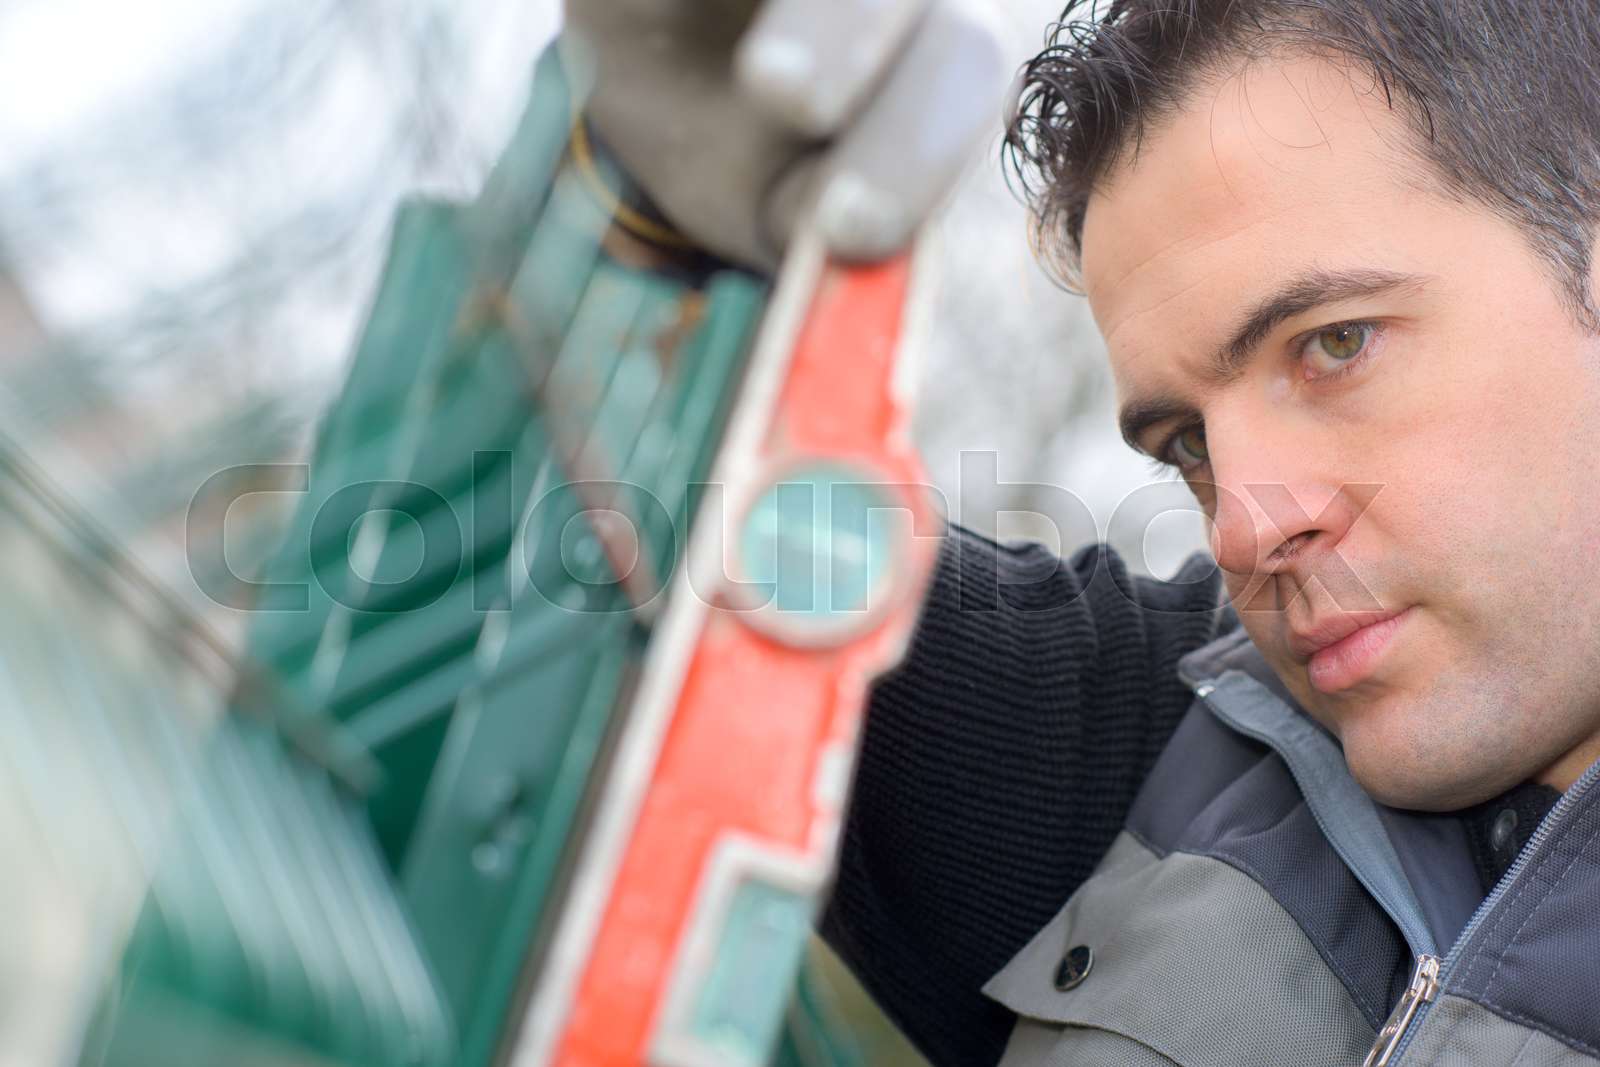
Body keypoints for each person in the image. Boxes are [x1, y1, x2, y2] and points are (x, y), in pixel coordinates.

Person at [563, 1, 1600, 1064]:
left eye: (1333, 344)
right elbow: (576, 536)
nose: (1243, 524)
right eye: (1186, 443)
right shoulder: (1152, 750)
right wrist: (641, 225)